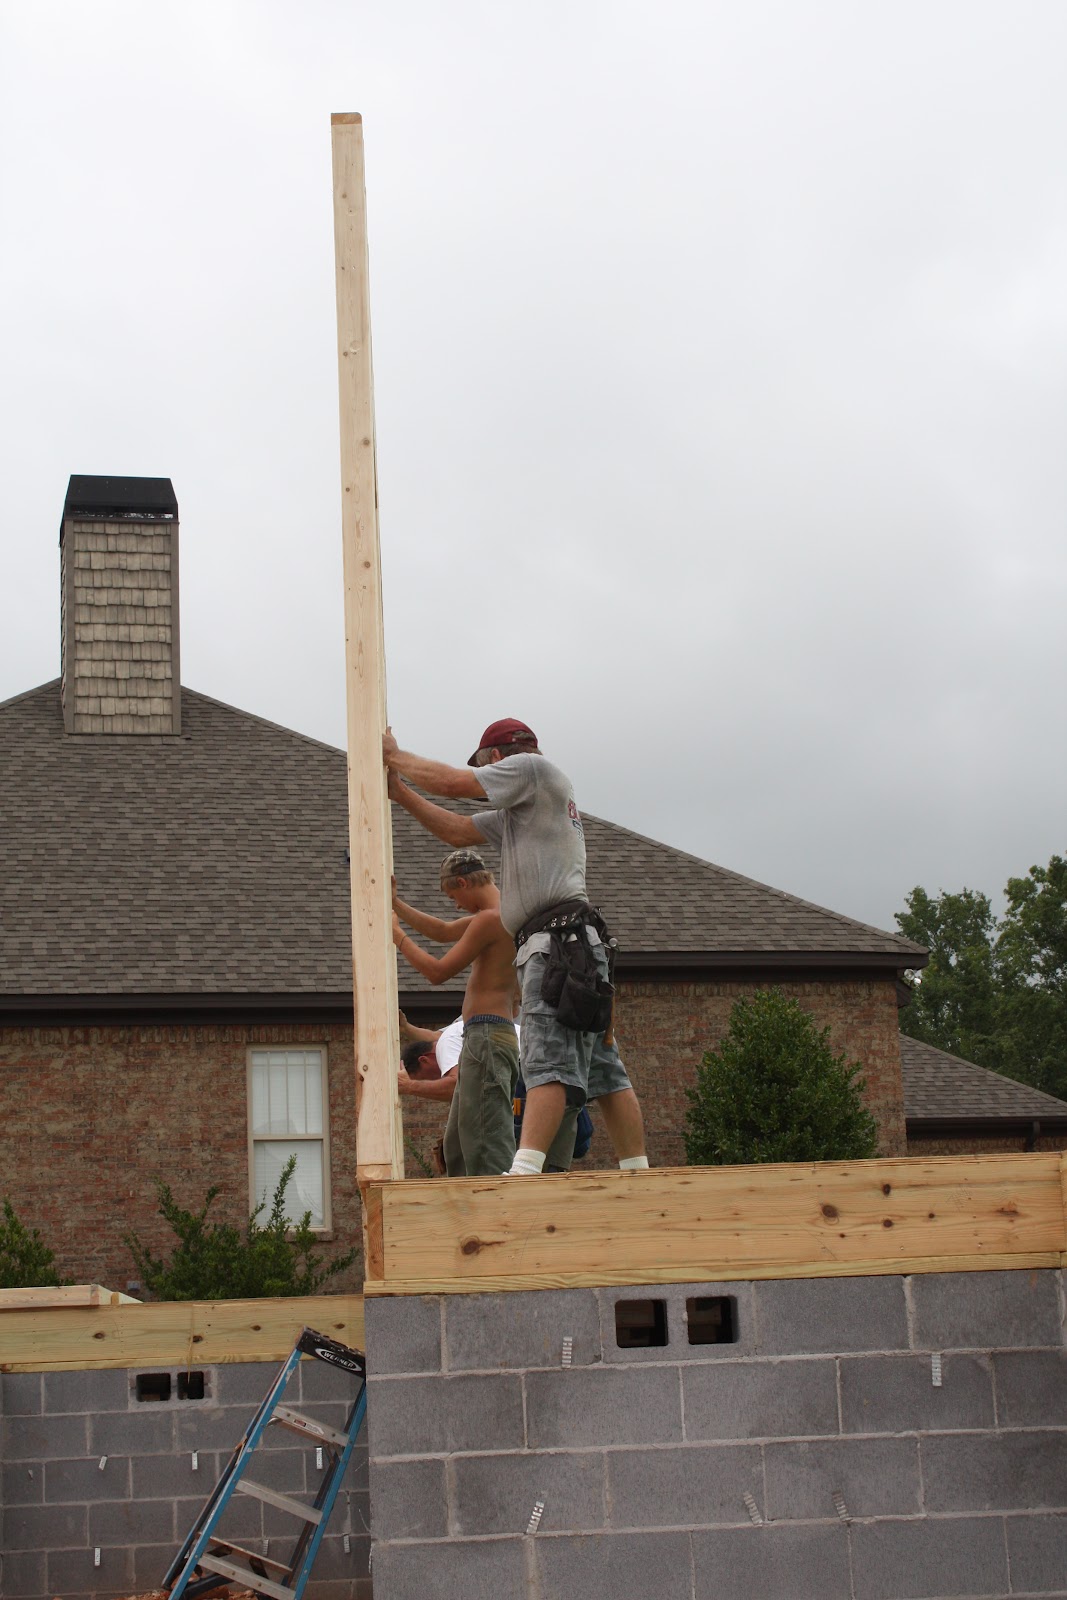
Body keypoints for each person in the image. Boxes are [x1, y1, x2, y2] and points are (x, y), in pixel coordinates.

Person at [384, 719, 648, 1177]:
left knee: (547, 1064)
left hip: (557, 945)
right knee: (604, 1069)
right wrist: (400, 792)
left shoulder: (530, 769)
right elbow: (457, 830)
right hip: (577, 945)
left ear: (498, 759)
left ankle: (522, 1172)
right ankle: (637, 1171)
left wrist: (395, 755)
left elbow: (454, 784)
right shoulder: (523, 813)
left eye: (488, 769)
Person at [392, 848, 519, 1177]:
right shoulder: (505, 910)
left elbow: (438, 972)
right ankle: (468, 1205)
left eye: (454, 897)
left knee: (486, 1133)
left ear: (463, 882)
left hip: (488, 1035)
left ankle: (497, 1205)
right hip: (484, 1036)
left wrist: (398, 938)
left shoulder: (492, 919)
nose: (456, 905)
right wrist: (396, 905)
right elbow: (444, 931)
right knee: (460, 1140)